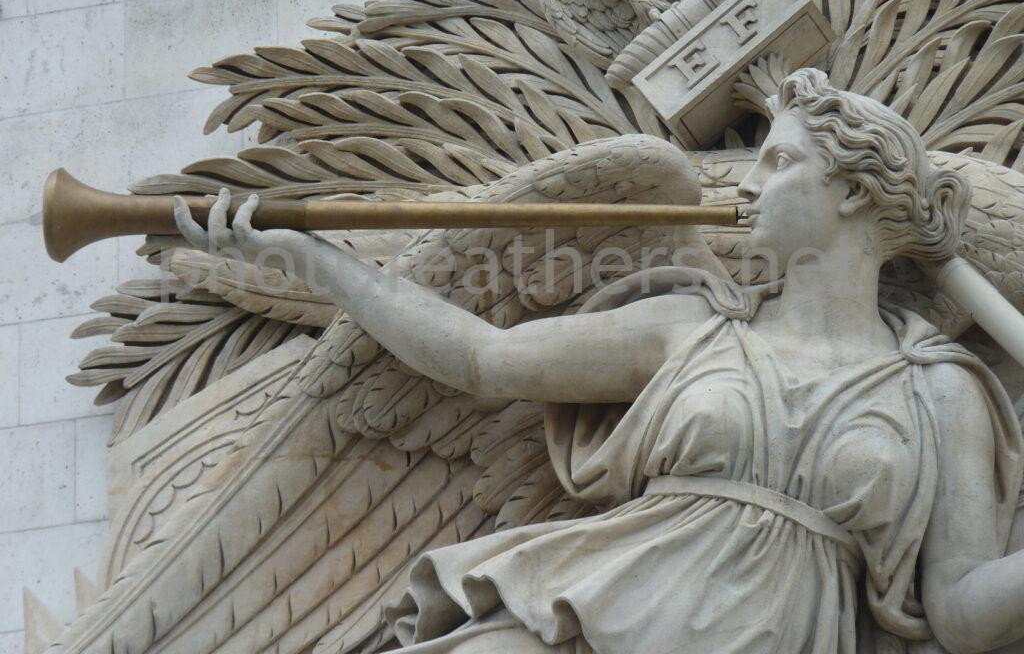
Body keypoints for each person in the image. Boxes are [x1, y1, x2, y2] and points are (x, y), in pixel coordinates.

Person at [174, 68, 1024, 654]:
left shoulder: (939, 390)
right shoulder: (692, 327)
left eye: (780, 161)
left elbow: (962, 610)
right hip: (591, 609)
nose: (749, 183)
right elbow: (483, 358)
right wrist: (311, 260)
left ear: (853, 192)